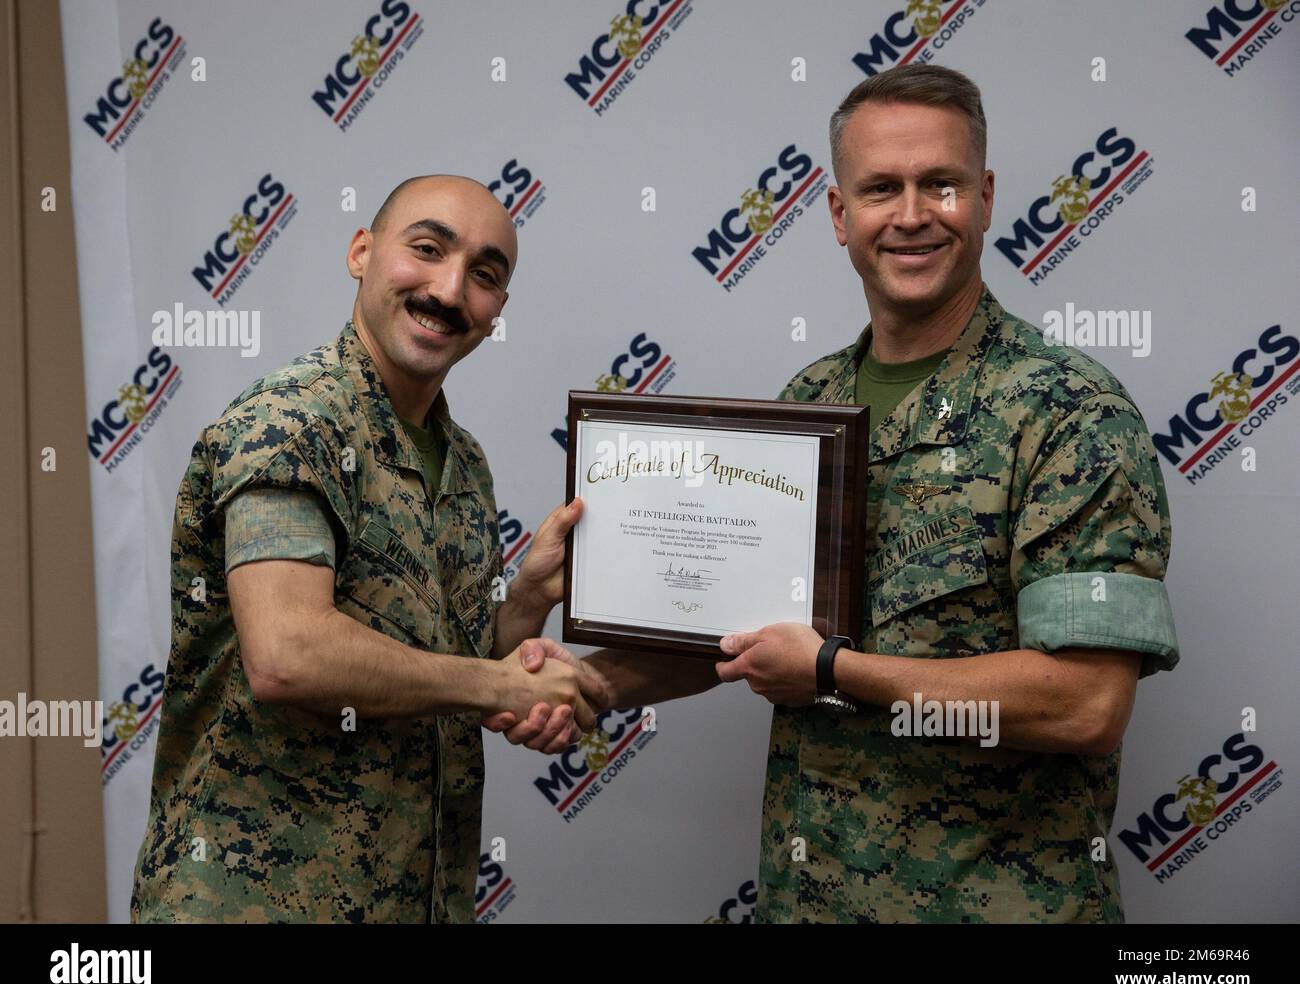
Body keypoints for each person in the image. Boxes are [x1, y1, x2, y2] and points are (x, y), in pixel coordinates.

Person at [494, 65, 1179, 923]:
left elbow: (1085, 704)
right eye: (882, 188)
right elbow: (737, 635)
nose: (913, 214)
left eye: (942, 184)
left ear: (988, 196)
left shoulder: (1070, 411)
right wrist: (588, 686)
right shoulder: (810, 403)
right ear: (838, 214)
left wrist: (830, 669)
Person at [132, 175, 605, 924]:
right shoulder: (292, 422)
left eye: (484, 275)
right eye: (427, 249)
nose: (449, 290)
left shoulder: (462, 459)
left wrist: (528, 599)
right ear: (362, 251)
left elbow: (448, 669)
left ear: (496, 313)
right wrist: (503, 687)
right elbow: (289, 652)